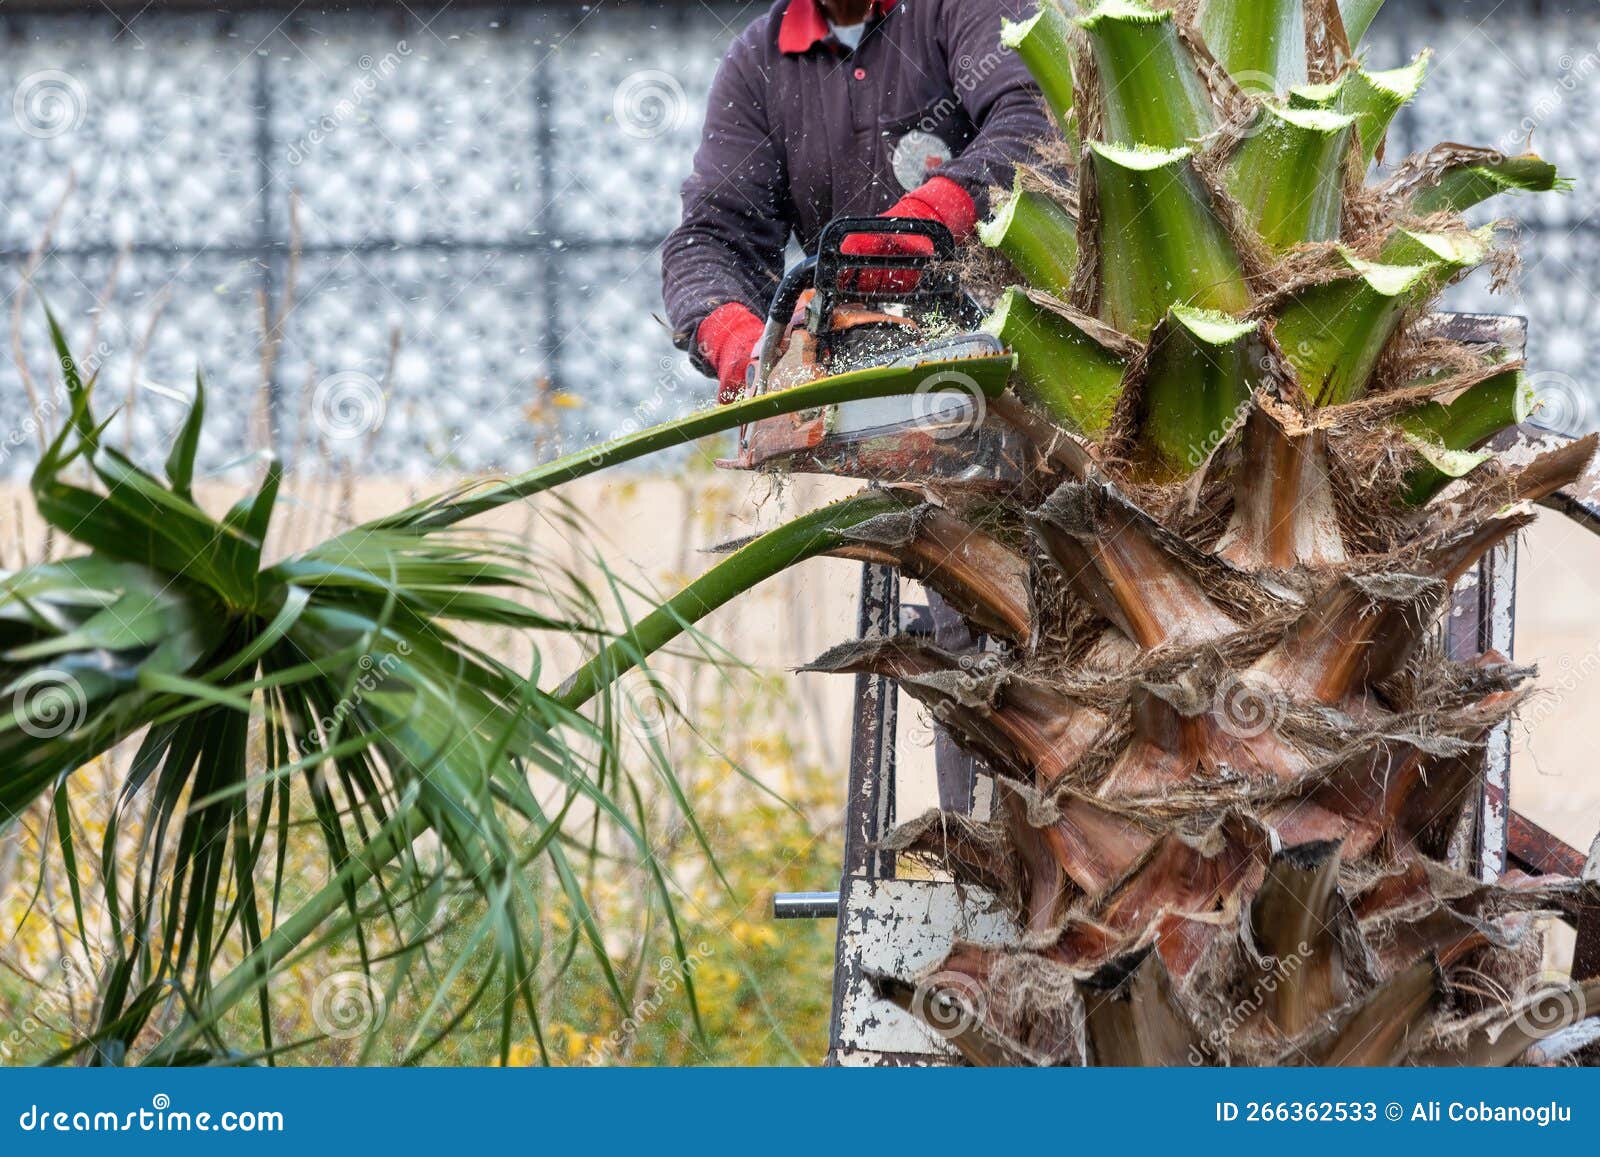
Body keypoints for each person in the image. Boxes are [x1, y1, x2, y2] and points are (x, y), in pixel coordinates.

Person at [662, 0, 1051, 404]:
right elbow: (711, 237)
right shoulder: (758, 60)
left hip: (1020, 337)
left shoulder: (966, 7)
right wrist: (733, 337)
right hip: (859, 367)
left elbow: (1036, 121)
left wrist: (923, 224)